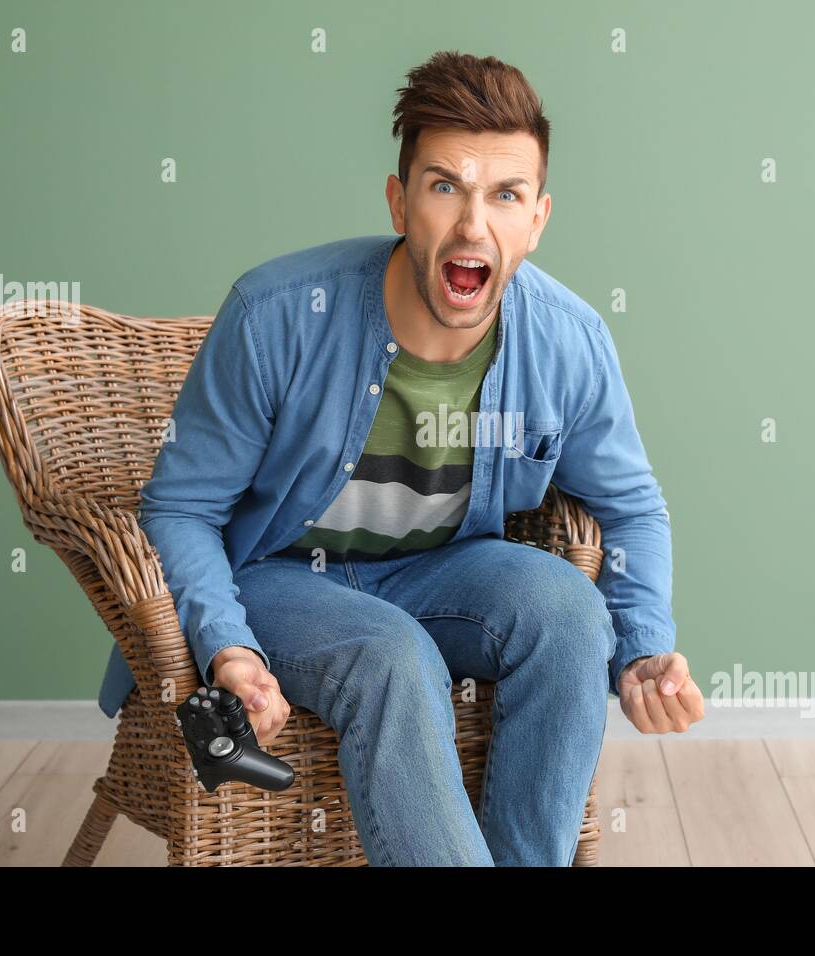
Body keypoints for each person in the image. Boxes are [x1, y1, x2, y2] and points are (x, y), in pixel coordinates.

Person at [97, 50, 705, 866]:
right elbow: (180, 507)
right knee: (392, 656)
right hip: (283, 577)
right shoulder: (273, 315)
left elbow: (632, 507)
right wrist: (228, 644)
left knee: (570, 614)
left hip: (444, 570)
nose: (472, 226)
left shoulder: (569, 342)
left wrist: (642, 648)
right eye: (445, 185)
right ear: (400, 200)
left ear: (537, 219)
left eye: (505, 195)